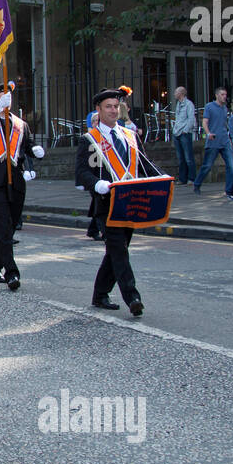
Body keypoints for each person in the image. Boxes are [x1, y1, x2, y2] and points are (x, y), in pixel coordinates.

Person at [75, 89, 166, 316]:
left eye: (116, 106)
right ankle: (132, 297)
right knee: (119, 251)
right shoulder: (89, 140)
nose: (113, 110)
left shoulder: (129, 135)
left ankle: (100, 294)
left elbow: (144, 164)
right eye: (108, 106)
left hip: (130, 203)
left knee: (116, 251)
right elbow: (82, 173)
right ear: (99, 109)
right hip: (106, 205)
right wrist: (97, 184)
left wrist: (161, 176)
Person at [0, 81, 43, 290]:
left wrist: (35, 150)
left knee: (10, 226)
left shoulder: (20, 124)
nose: (7, 100)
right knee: (3, 225)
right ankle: (11, 272)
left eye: (9, 97)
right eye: (2, 97)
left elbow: (26, 146)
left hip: (15, 181)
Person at [193, 86, 232, 196]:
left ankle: (230, 190)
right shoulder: (209, 106)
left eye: (225, 94)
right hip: (213, 140)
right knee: (207, 166)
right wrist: (208, 133)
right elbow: (205, 122)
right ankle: (197, 184)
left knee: (230, 165)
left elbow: (225, 124)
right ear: (216, 95)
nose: (224, 97)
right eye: (222, 94)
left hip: (224, 140)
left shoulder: (225, 108)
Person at [171, 86, 196, 184]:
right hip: (177, 133)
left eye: (176, 92)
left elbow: (191, 118)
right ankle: (182, 178)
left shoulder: (189, 104)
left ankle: (192, 178)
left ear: (181, 93)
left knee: (188, 157)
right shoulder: (178, 104)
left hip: (184, 133)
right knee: (180, 158)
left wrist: (185, 130)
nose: (174, 94)